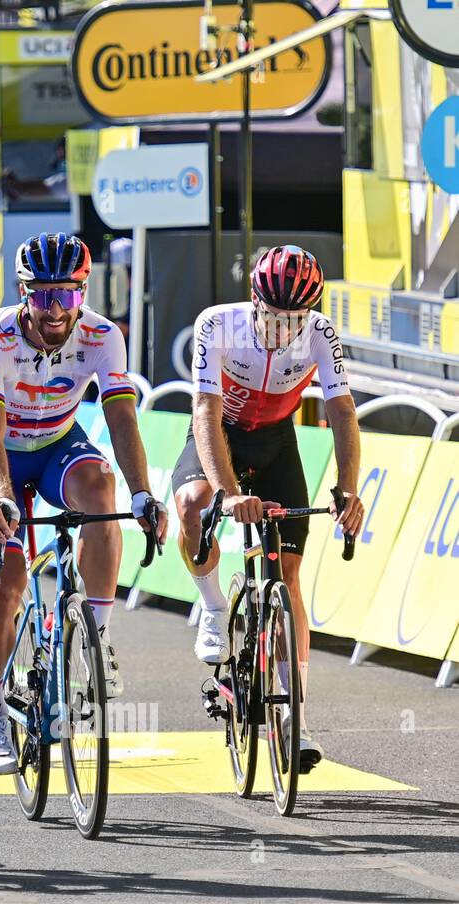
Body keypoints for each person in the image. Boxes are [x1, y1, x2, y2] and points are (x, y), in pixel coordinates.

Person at [0, 232, 168, 775]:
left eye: (69, 296)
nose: (56, 309)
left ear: (85, 292)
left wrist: (143, 492)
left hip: (56, 444)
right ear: (22, 293)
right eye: (42, 295)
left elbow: (122, 418)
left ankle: (95, 635)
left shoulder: (103, 335)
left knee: (103, 490)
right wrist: (2, 501)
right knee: (4, 587)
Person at [173, 245, 364, 772]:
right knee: (193, 503)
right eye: (276, 318)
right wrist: (229, 493)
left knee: (289, 575)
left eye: (295, 320)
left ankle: (293, 713)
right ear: (254, 302)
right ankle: (213, 607)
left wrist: (348, 489)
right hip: (222, 435)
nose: (285, 330)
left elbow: (343, 412)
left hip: (276, 442)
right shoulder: (218, 324)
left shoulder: (321, 333)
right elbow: (207, 414)